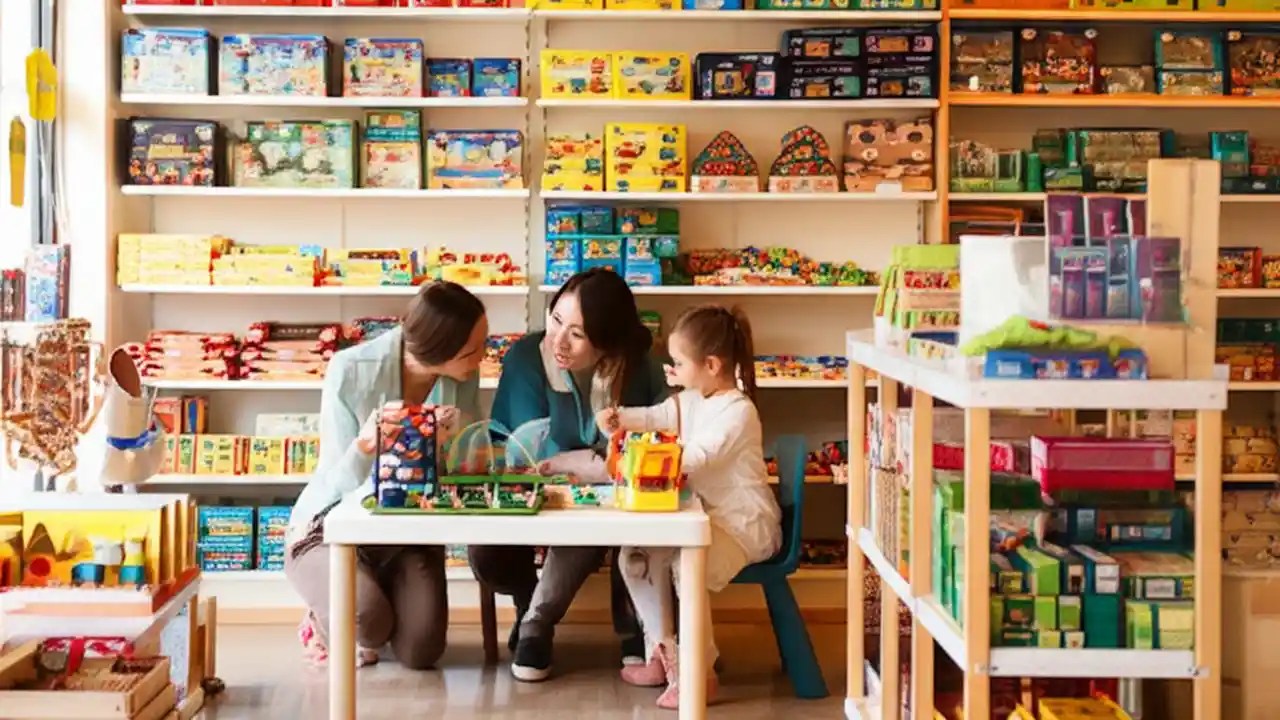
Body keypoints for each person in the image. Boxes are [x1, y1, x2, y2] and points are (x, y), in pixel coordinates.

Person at [468, 268, 668, 682]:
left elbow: (636, 452)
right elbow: (528, 451)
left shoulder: (635, 366)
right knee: (488, 553)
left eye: (577, 334)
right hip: (537, 495)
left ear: (607, 340)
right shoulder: (527, 357)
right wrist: (588, 462)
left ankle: (626, 628)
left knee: (632, 521)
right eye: (556, 320)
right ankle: (533, 610)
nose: (558, 341)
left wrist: (591, 464)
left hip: (613, 502)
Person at [284, 282, 488, 671]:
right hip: (330, 528)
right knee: (369, 622)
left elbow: (468, 465)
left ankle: (376, 596)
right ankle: (321, 622)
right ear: (440, 350)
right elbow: (335, 482)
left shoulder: (463, 376)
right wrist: (365, 444)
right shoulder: (350, 370)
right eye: (473, 349)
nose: (483, 356)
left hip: (406, 532)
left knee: (421, 651)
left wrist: (452, 442)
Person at [596, 304, 783, 710]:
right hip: (702, 517)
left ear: (711, 364)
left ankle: (700, 671)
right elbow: (656, 416)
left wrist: (642, 455)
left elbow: (696, 456)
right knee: (637, 555)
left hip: (744, 524)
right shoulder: (694, 398)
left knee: (685, 562)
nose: (671, 369)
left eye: (678, 362)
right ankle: (663, 653)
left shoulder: (738, 411)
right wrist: (619, 420)